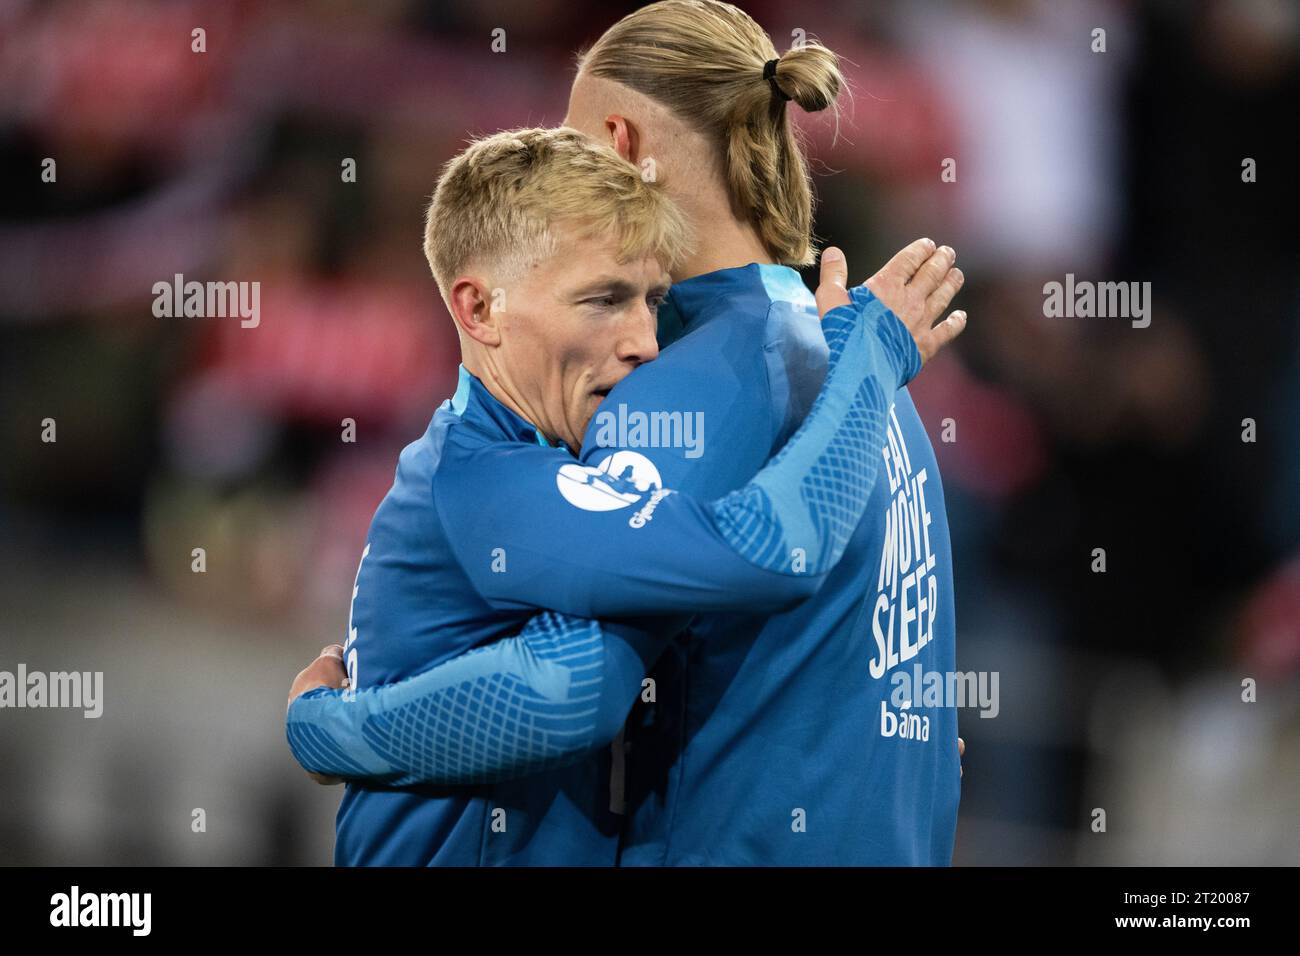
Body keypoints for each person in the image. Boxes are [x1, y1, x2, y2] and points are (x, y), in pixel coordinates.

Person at [290, 0, 966, 866]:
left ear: (620, 145)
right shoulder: (857, 370)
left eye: (574, 151)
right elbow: (925, 735)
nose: (636, 340)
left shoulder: (695, 382)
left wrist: (332, 729)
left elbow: (573, 687)